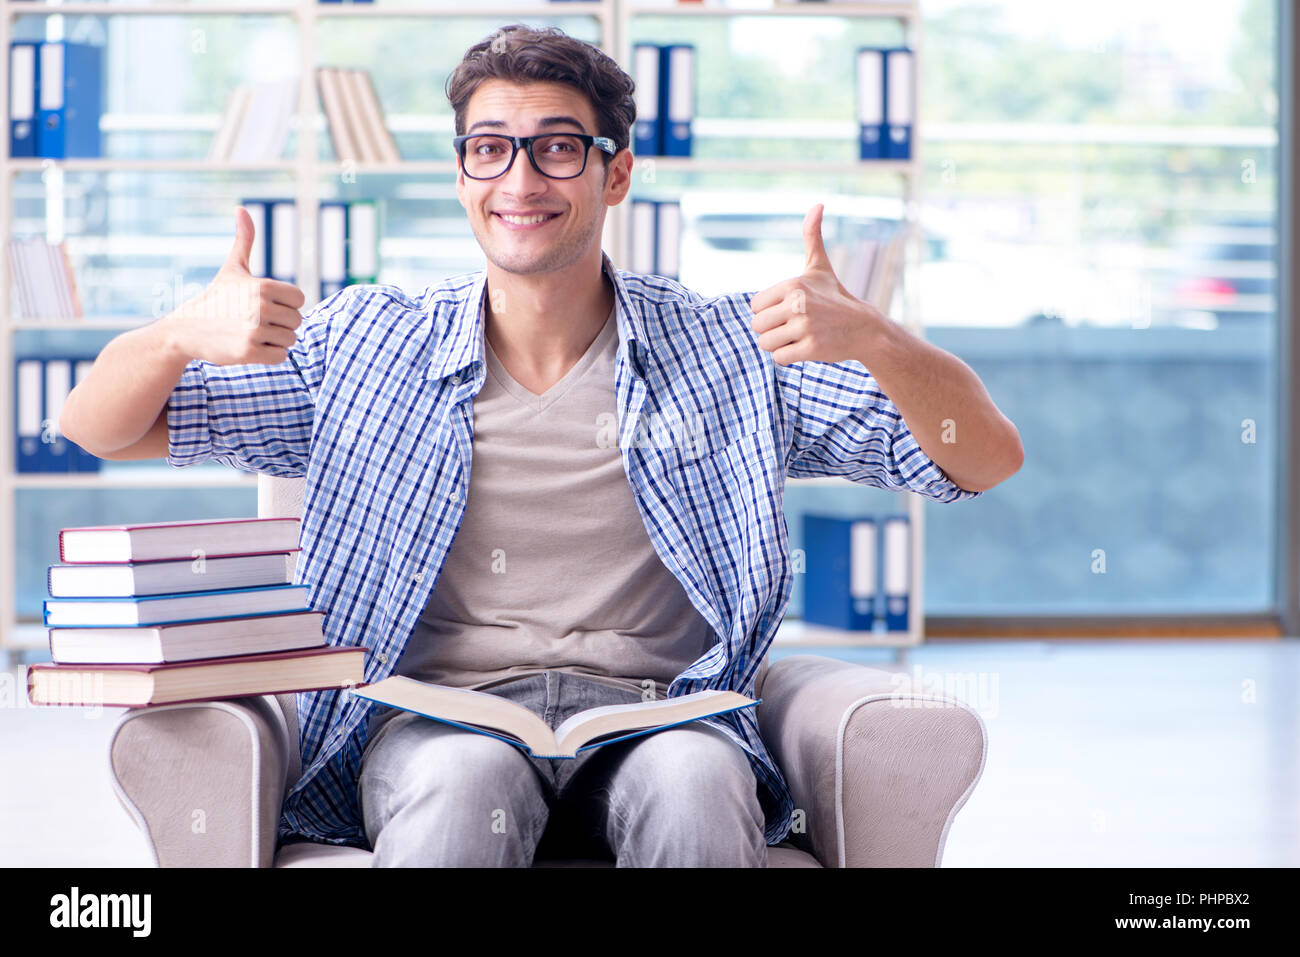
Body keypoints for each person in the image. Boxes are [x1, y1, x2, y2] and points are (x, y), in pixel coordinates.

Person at [59, 24, 1023, 867]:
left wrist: (879, 340)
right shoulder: (365, 344)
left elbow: (980, 459)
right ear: (462, 172)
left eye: (559, 149)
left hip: (664, 714)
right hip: (435, 716)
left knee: (695, 786)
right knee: (459, 788)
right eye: (491, 149)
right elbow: (99, 427)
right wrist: (175, 334)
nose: (521, 180)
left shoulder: (729, 351)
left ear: (617, 171)